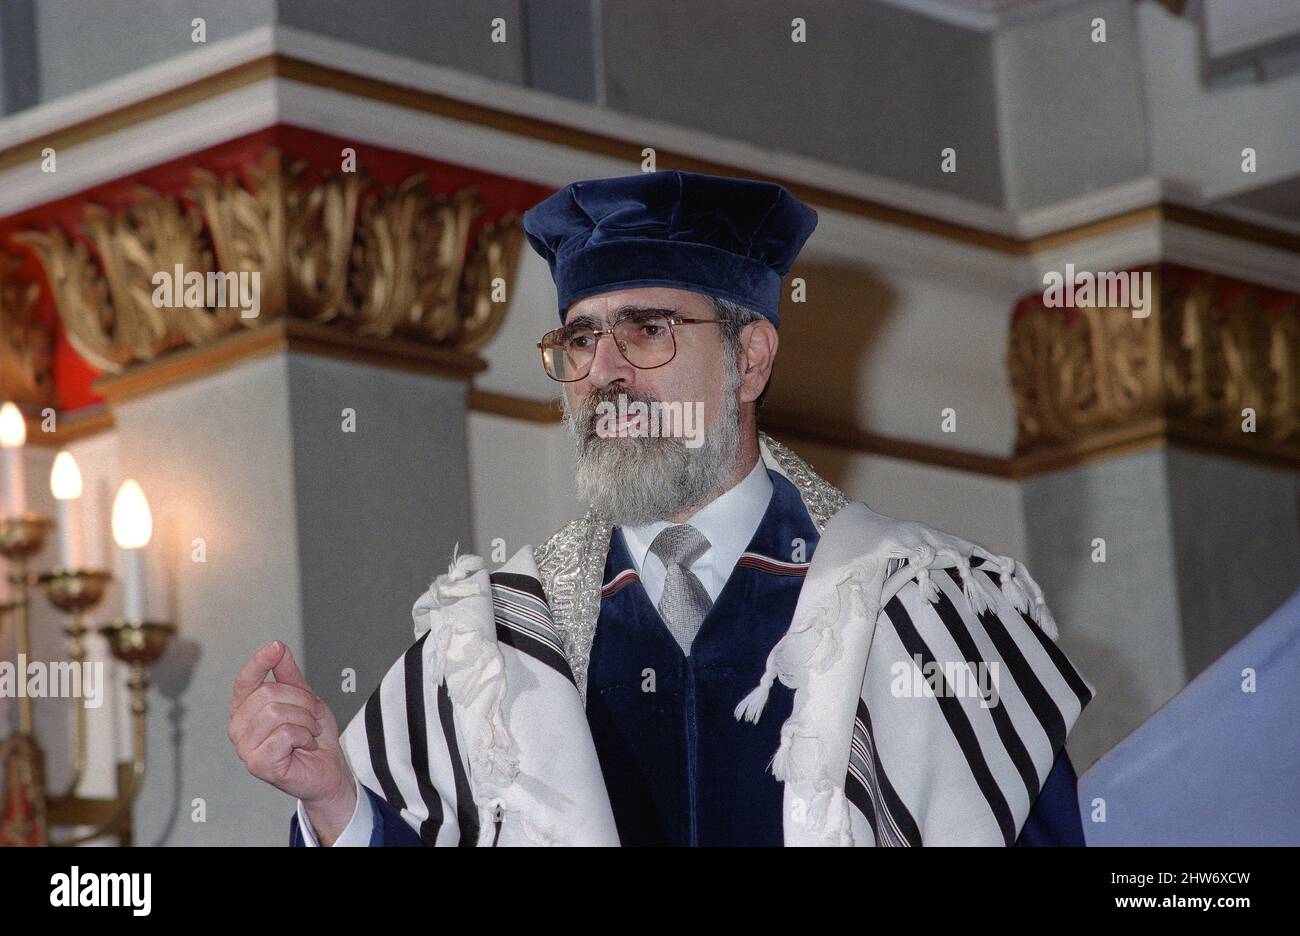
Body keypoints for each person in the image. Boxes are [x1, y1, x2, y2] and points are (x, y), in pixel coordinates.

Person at [228, 170, 1093, 846]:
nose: (605, 370)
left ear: (750, 359)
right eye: (579, 338)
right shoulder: (491, 641)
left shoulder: (919, 606)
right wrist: (336, 802)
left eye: (646, 329)